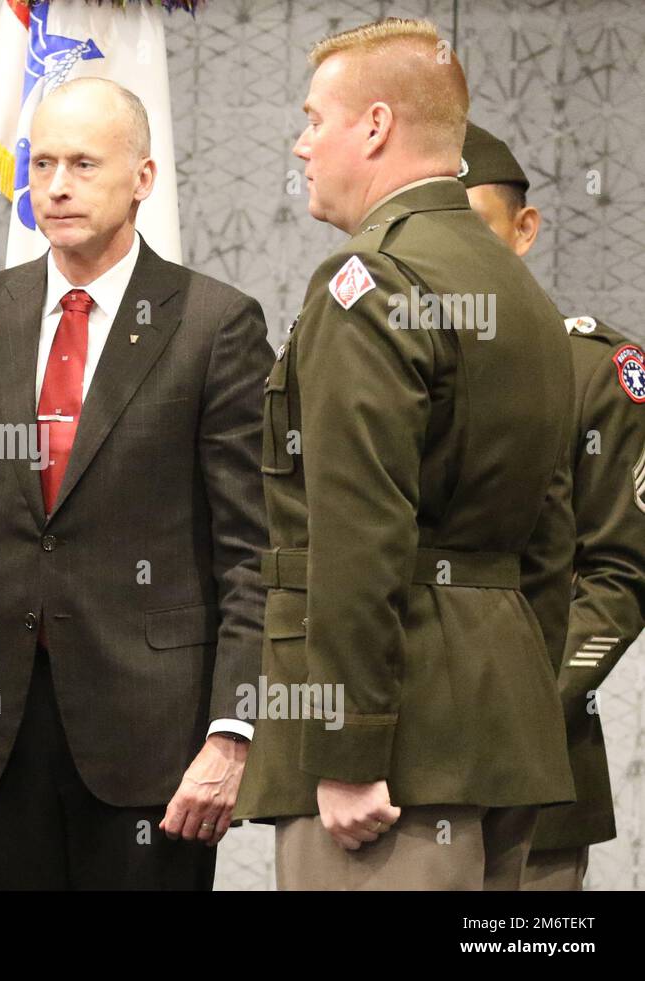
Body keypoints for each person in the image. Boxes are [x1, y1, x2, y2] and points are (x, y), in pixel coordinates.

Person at [0, 76, 271, 890]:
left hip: (154, 745)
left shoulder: (215, 325)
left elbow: (251, 551)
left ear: (143, 178)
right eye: (42, 163)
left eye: (85, 164)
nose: (56, 186)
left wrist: (233, 729)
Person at [234, 17, 577, 890]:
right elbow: (549, 537)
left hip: (391, 766)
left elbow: (359, 528)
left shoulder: (372, 283)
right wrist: (520, 715)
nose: (303, 142)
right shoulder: (520, 290)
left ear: (376, 126)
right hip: (499, 734)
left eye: (316, 118)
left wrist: (346, 747)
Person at [459, 121, 645, 890]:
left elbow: (620, 574)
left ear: (524, 230)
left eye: (471, 228)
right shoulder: (363, 363)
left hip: (531, 782)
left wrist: (521, 715)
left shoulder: (593, 371)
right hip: (376, 779)